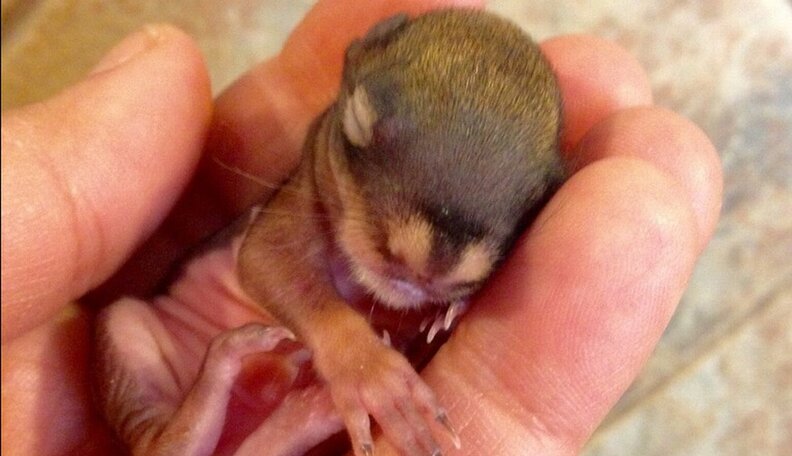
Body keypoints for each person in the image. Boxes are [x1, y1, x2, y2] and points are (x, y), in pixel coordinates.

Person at [0, 0, 722, 454]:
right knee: (122, 322)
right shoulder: (310, 192)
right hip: (173, 352)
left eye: (467, 264)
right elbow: (265, 264)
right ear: (352, 100)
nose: (412, 273)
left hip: (285, 401)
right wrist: (344, 343)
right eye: (397, 251)